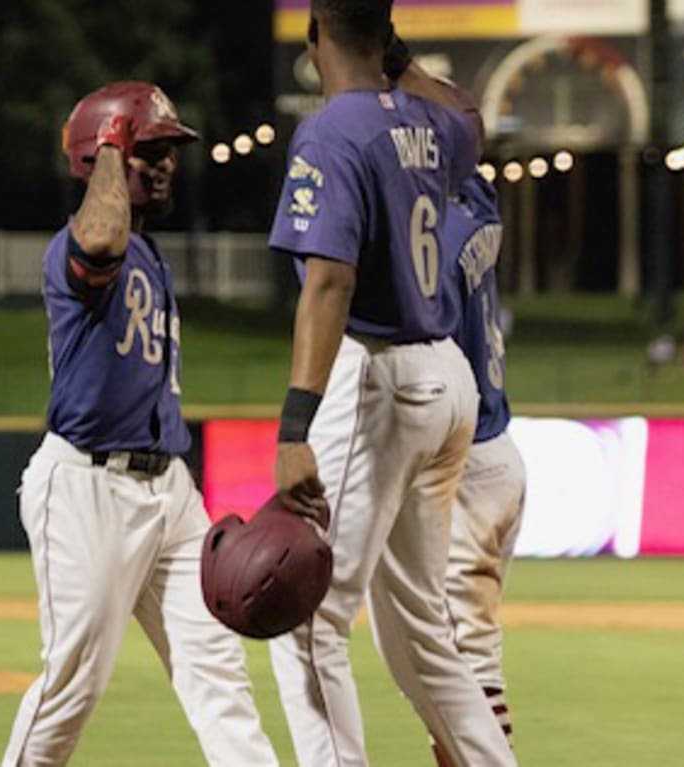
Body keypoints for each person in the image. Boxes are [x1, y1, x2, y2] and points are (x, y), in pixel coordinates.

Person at [264, 3, 516, 766]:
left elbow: (330, 281)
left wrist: (294, 425)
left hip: (381, 374)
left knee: (305, 620)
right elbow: (471, 120)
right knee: (420, 634)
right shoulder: (427, 124)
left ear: (314, 40)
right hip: (448, 381)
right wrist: (396, 61)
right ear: (387, 38)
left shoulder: (332, 130)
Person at [1, 81, 278, 767]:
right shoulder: (81, 243)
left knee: (218, 670)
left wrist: (121, 150)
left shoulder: (151, 255)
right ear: (101, 156)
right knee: (74, 684)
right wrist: (109, 151)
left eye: (167, 151)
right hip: (88, 484)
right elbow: (98, 238)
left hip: (169, 489)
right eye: (146, 149)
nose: (163, 163)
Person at [442, 171, 527, 755]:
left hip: (464, 463)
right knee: (456, 664)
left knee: (461, 668)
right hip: (498, 452)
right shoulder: (476, 205)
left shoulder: (436, 238)